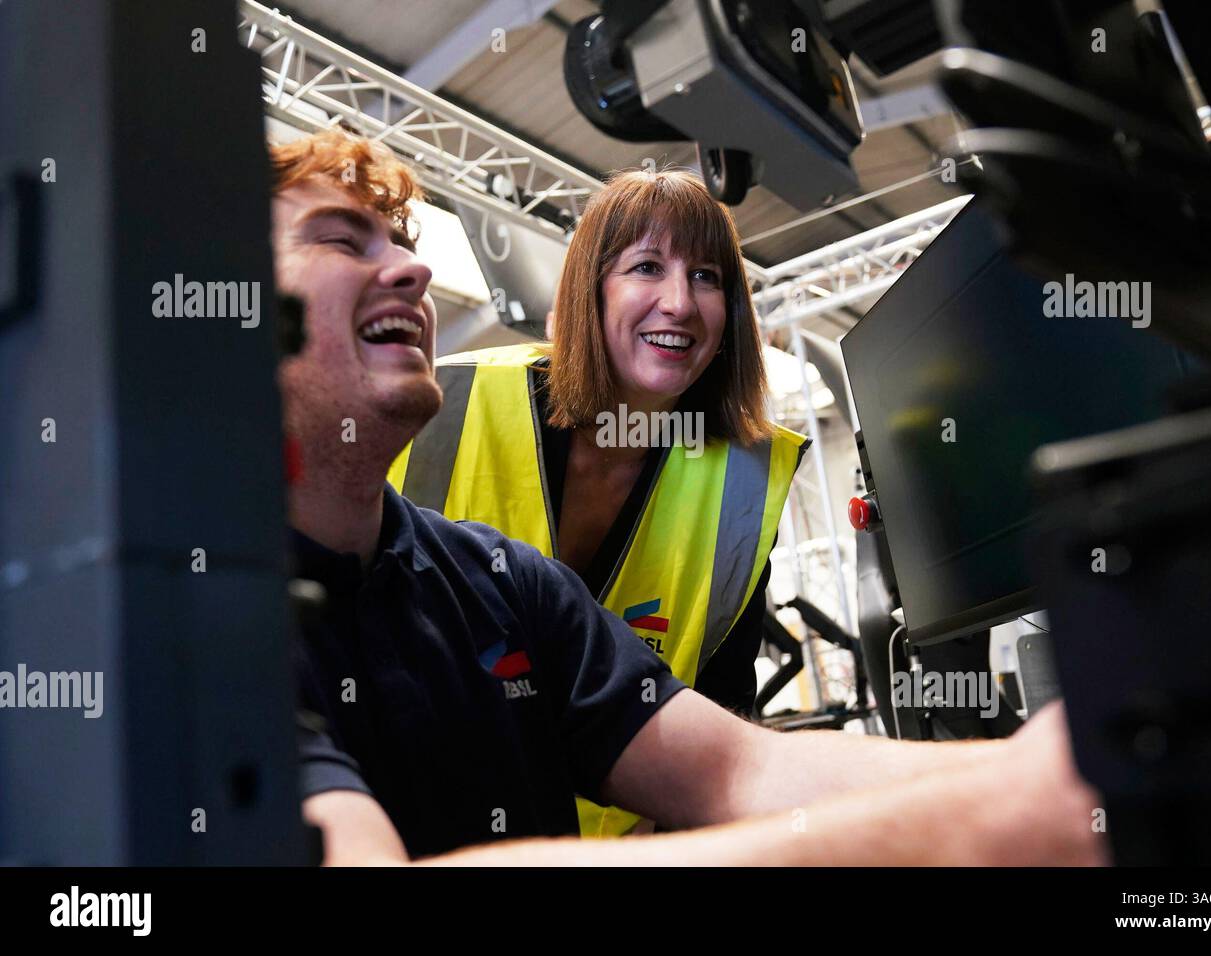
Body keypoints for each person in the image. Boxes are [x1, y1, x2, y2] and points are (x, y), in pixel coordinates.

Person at [273, 129, 1107, 866]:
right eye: (343, 241)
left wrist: (1073, 770)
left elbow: (741, 766)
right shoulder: (190, 606)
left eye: (707, 277)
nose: (414, 269)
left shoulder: (505, 582)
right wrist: (994, 820)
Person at [388, 168, 805, 836]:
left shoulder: (745, 479)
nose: (680, 302)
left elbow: (725, 708)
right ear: (591, 291)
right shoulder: (441, 405)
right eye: (646, 267)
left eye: (707, 277)